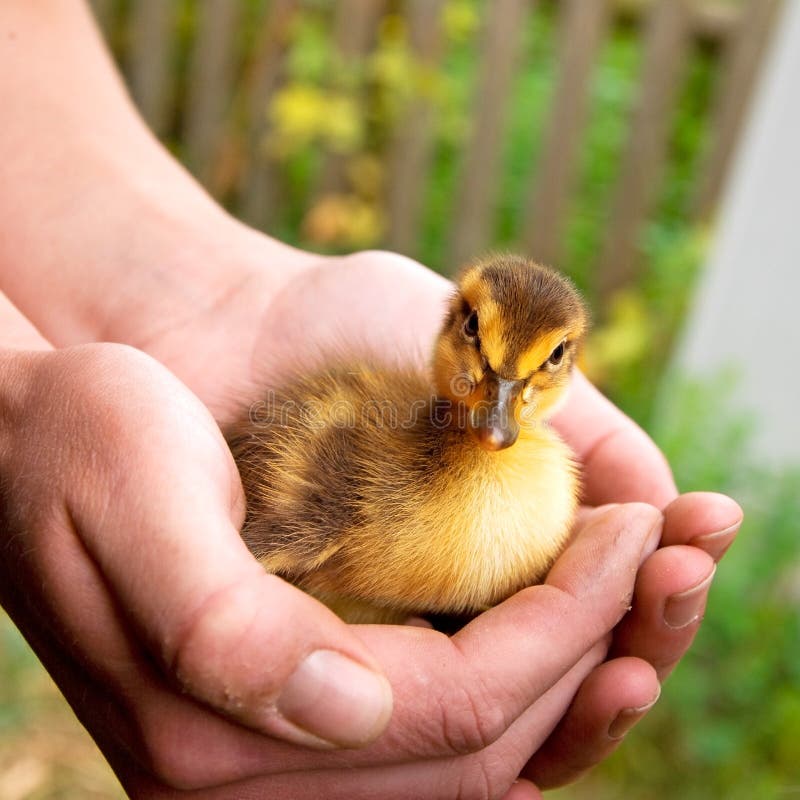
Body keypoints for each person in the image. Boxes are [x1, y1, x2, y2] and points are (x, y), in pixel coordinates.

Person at [0, 3, 742, 798]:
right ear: (453, 323)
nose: (496, 411)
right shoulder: (357, 471)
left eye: (541, 366)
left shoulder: (536, 485)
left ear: (568, 362)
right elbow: (272, 523)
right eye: (480, 343)